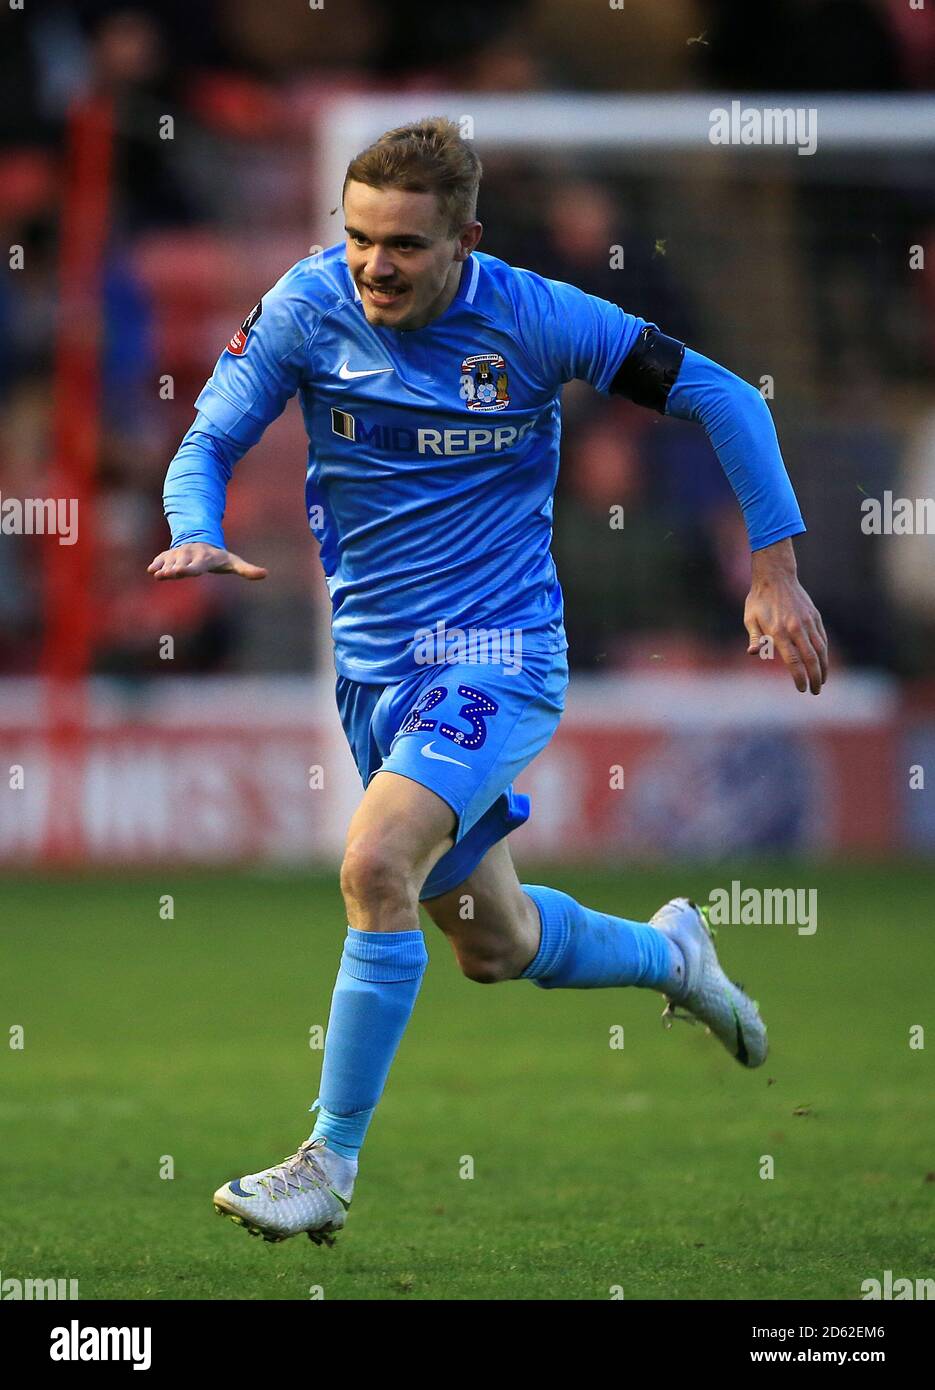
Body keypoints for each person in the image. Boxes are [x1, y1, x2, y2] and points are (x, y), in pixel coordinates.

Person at [149, 117, 828, 1246]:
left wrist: (774, 568)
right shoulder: (306, 305)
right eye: (360, 237)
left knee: (372, 863)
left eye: (404, 246)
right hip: (373, 677)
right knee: (493, 943)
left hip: (495, 656)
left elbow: (725, 395)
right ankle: (675, 956)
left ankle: (328, 1158)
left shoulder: (534, 317)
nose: (374, 264)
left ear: (464, 239)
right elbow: (207, 438)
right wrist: (193, 527)